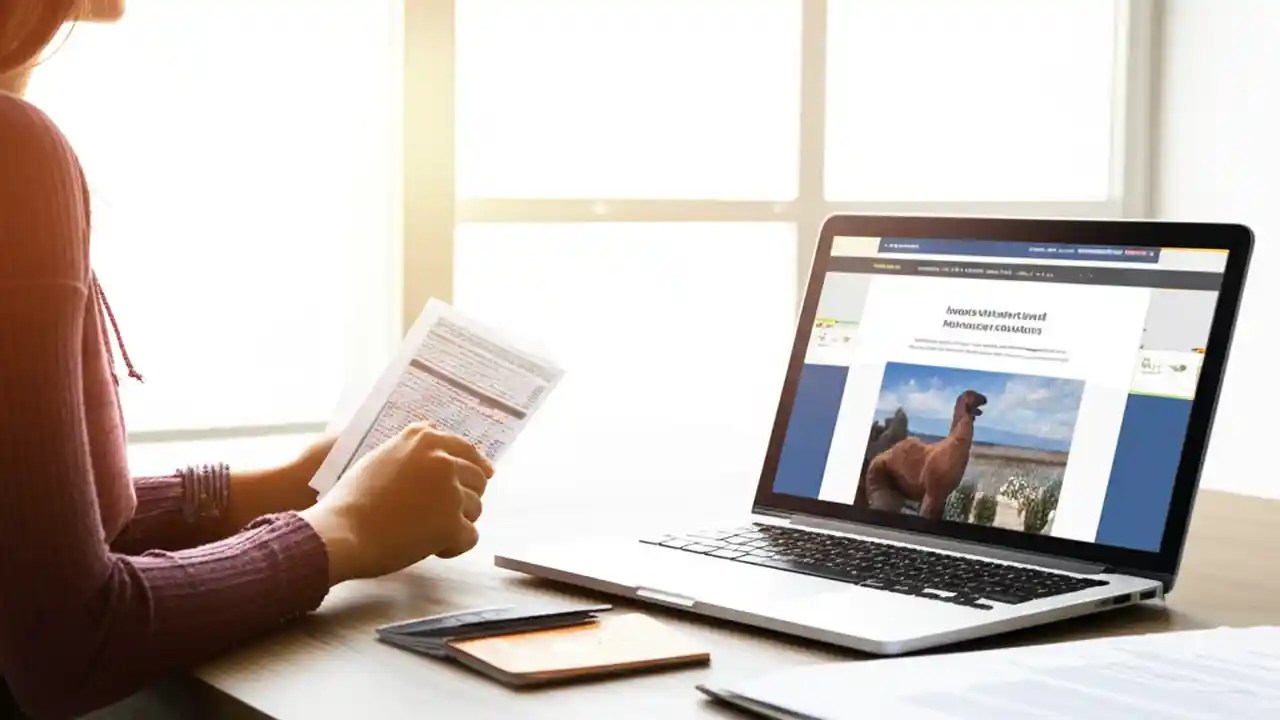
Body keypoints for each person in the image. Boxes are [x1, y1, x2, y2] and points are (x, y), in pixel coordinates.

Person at [0, 2, 494, 717]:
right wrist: (344, 532)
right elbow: (68, 642)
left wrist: (283, 486)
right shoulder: (14, 154)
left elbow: (27, 544)